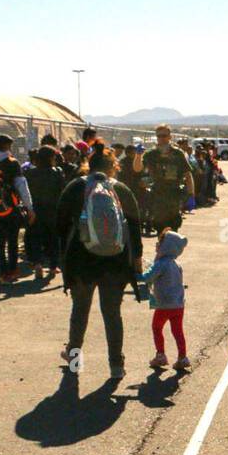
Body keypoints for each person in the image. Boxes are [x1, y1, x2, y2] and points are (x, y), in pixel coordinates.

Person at [55, 146, 144, 381]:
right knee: (112, 313)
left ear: (88, 164)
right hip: (115, 261)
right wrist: (137, 258)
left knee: (80, 310)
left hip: (81, 259)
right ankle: (116, 365)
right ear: (113, 166)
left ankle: (74, 358)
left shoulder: (75, 187)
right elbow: (134, 226)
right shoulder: (121, 189)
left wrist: (63, 256)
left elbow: (60, 223)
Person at [0, 133, 35, 285]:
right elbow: (22, 187)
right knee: (12, 240)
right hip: (11, 209)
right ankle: (13, 270)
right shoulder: (12, 163)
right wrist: (29, 207)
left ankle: (3, 273)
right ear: (6, 146)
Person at [140, 230, 190, 372]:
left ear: (166, 247)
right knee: (178, 331)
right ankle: (182, 357)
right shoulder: (176, 264)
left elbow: (146, 277)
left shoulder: (161, 264)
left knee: (157, 328)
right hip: (178, 305)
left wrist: (135, 274)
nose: (157, 244)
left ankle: (160, 355)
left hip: (164, 305)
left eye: (160, 242)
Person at [137, 125, 194, 234]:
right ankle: (162, 243)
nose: (161, 138)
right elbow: (137, 168)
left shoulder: (178, 154)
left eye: (164, 135)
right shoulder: (151, 154)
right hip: (158, 196)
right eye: (159, 136)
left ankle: (170, 243)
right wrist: (138, 156)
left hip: (174, 196)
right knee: (160, 228)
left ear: (169, 137)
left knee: (173, 228)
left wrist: (191, 195)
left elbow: (188, 175)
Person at [24, 145, 67, 281]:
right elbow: (63, 190)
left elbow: (26, 192)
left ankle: (38, 264)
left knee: (36, 237)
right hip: (53, 210)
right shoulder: (57, 172)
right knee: (53, 238)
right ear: (50, 158)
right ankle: (53, 266)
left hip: (36, 209)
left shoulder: (30, 173)